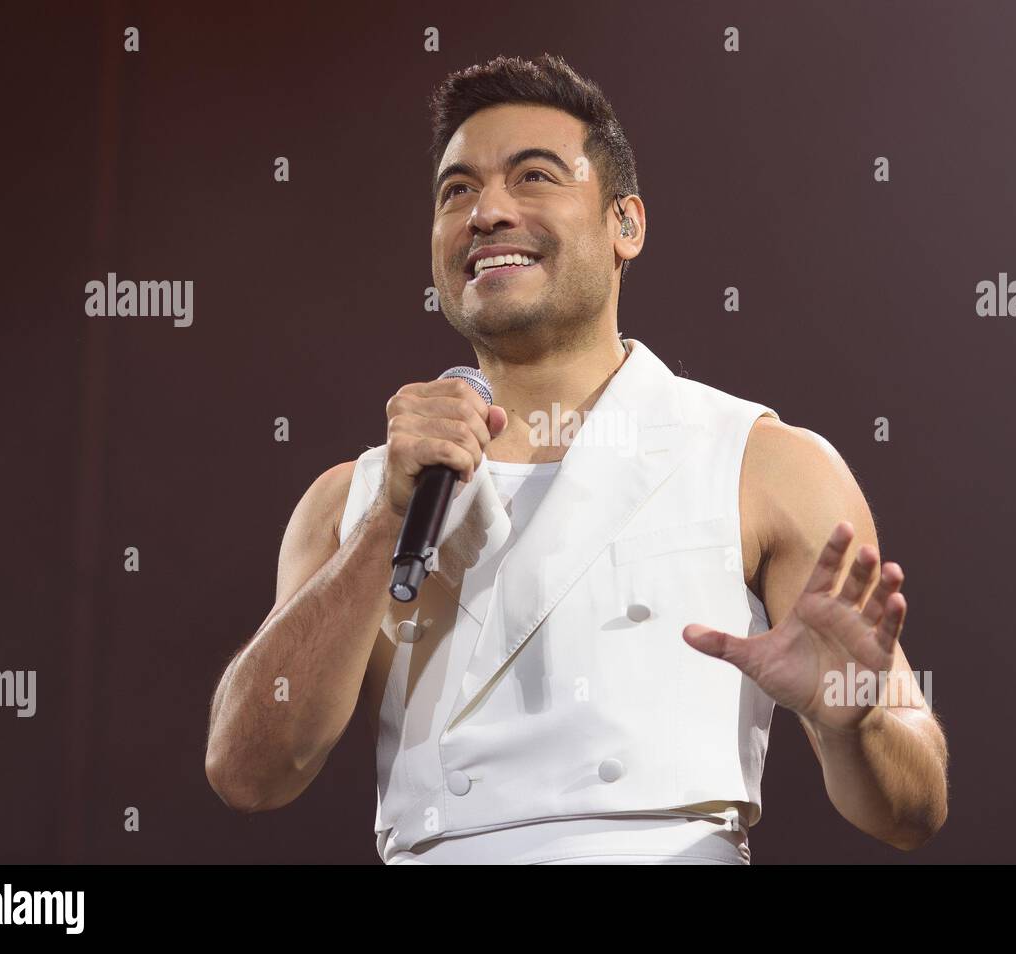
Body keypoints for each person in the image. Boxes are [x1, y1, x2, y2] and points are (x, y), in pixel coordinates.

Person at [205, 53, 949, 864]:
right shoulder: (354, 498)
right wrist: (386, 520)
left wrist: (857, 719)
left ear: (625, 223)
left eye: (533, 177)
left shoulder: (762, 463)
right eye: (456, 191)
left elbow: (914, 810)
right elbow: (247, 773)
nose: (487, 212)